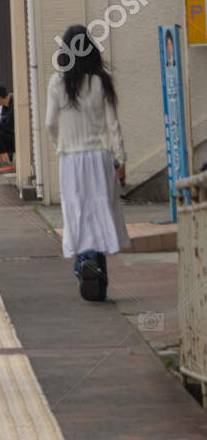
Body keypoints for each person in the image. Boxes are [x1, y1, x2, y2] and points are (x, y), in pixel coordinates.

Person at [45, 24, 129, 302]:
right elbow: (113, 125)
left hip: (71, 159)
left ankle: (84, 263)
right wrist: (121, 159)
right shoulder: (101, 81)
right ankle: (96, 276)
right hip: (100, 158)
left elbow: (49, 124)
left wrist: (60, 146)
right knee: (98, 213)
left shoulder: (58, 82)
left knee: (78, 214)